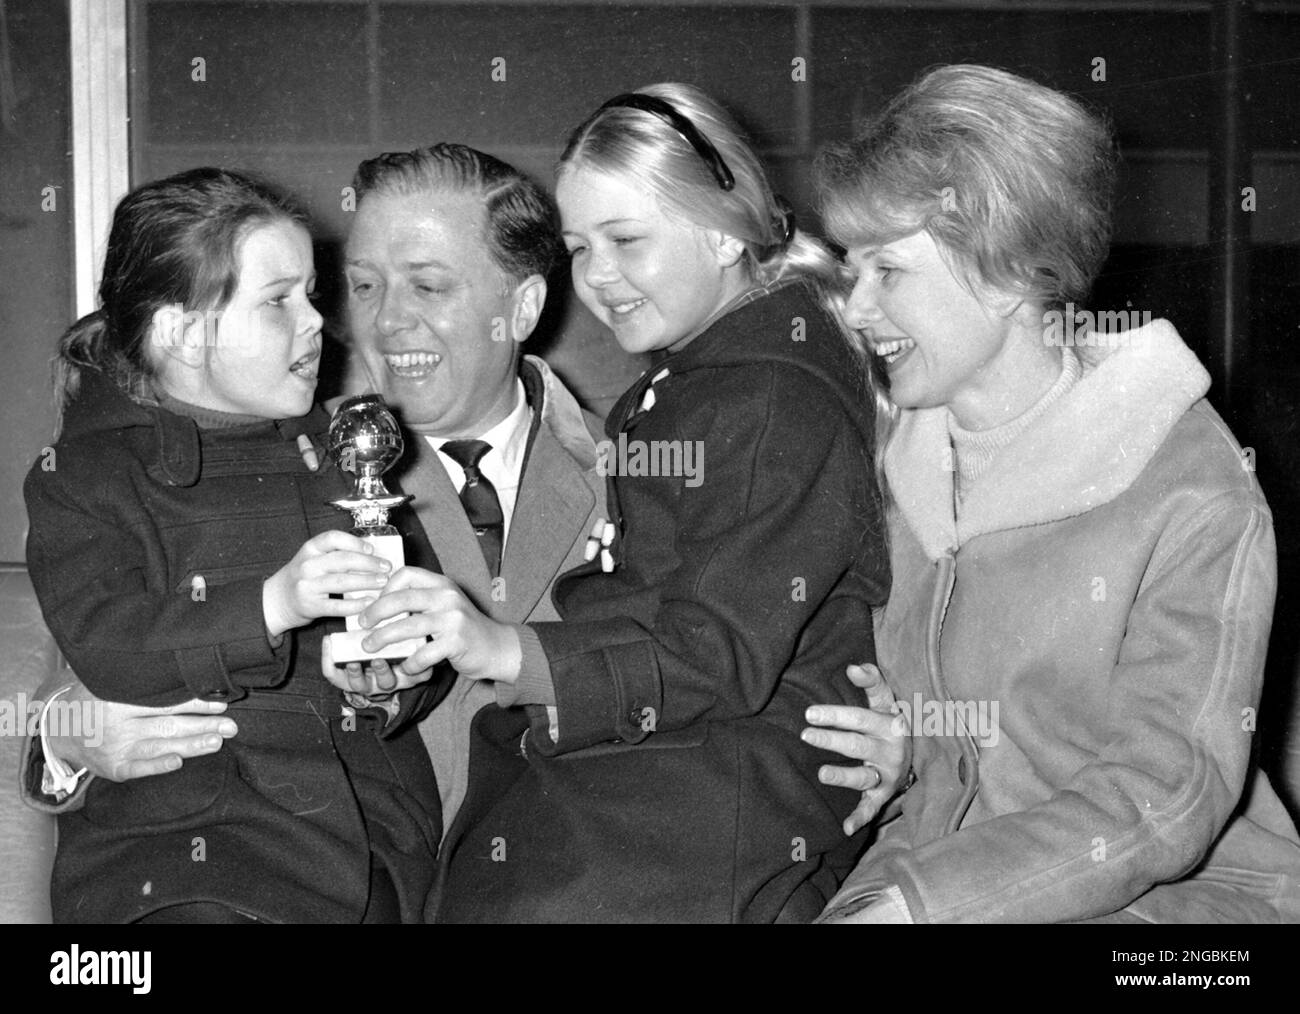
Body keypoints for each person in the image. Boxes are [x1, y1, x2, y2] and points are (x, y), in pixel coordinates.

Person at [24, 142, 902, 915]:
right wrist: (64, 737)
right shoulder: (256, 459)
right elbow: (96, 646)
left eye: (430, 286)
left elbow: (794, 630)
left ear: (522, 308)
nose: (385, 320)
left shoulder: (650, 470)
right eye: (362, 286)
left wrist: (908, 746)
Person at [358, 84, 892, 923]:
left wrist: (512, 655)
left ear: (724, 230)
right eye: (578, 247)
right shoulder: (699, 383)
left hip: (712, 794)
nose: (597, 277)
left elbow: (715, 649)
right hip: (668, 774)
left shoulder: (769, 397)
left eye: (626, 239)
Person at [809, 64, 1300, 923]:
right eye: (853, 268)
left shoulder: (1192, 488)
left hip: (1187, 913)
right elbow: (974, 732)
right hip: (938, 866)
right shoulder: (899, 462)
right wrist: (908, 749)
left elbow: (1165, 795)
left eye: (889, 270)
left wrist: (923, 906)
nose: (854, 306)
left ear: (1004, 275)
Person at [22, 167, 441, 923]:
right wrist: (272, 605)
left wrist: (392, 675)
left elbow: (422, 626)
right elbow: (110, 647)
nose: (318, 322)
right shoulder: (88, 475)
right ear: (184, 331)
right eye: (278, 300)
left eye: (311, 295)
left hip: (366, 845)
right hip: (177, 851)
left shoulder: (347, 455)